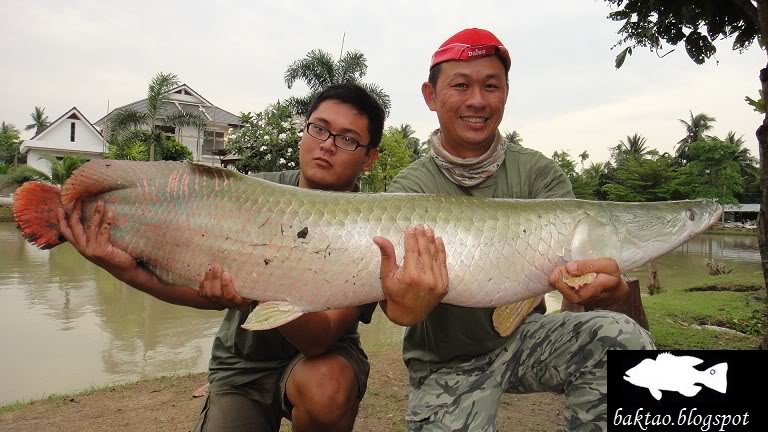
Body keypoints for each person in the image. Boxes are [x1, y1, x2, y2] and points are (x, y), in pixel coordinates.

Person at [57, 83, 386, 432]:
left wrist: (251, 298)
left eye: (347, 139)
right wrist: (122, 269)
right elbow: (203, 293)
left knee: (326, 386)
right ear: (303, 130)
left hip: (323, 359)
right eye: (319, 128)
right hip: (242, 362)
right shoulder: (245, 193)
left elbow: (318, 339)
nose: (327, 145)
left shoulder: (378, 225)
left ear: (369, 157)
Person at [372, 28, 656, 432]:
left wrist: (609, 288)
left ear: (505, 92)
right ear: (431, 96)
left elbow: (582, 271)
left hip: (527, 340)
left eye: (491, 86)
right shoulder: (409, 190)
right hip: (446, 357)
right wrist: (407, 303)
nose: (477, 100)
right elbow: (401, 312)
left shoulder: (539, 174)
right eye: (461, 85)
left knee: (621, 340)